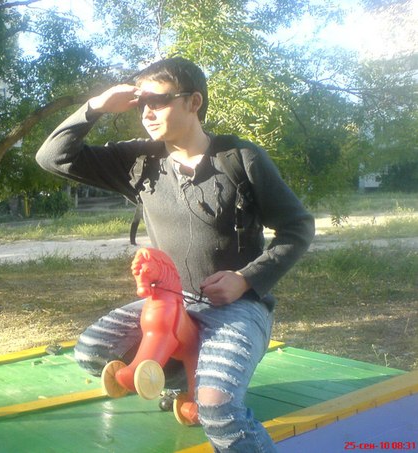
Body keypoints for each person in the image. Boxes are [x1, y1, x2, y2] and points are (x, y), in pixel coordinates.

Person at [36, 57, 314, 452]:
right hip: (170, 303)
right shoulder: (138, 161)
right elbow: (53, 157)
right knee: (93, 354)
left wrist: (246, 279)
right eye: (141, 104)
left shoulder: (240, 158)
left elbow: (298, 227)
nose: (146, 113)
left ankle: (207, 386)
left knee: (217, 407)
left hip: (239, 306)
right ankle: (188, 374)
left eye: (158, 101)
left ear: (193, 102)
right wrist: (96, 106)